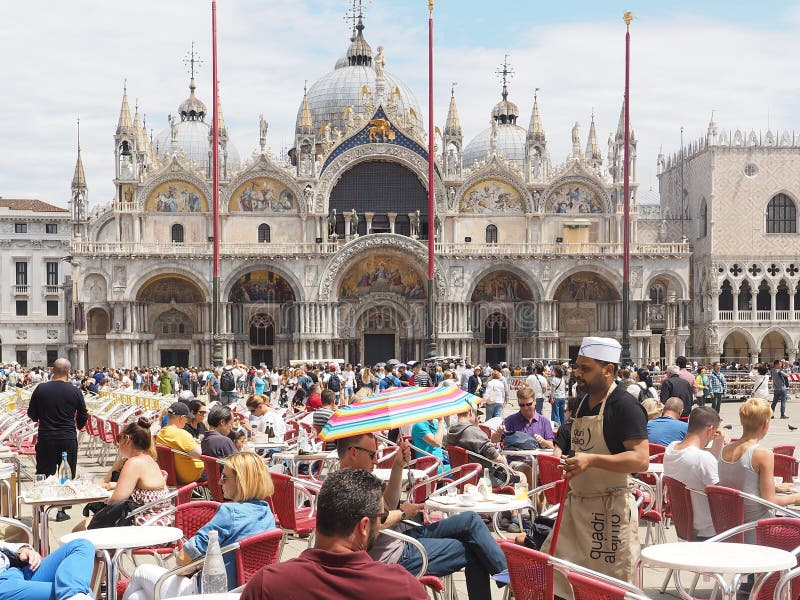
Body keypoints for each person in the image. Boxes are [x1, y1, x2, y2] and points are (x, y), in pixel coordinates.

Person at [337, 434, 507, 600]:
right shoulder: (345, 488)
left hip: (403, 538)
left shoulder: (360, 479)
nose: (375, 461)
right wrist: (403, 513)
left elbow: (387, 504)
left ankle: (506, 576)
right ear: (353, 452)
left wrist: (398, 465)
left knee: (470, 520)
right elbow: (373, 525)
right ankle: (509, 579)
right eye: (372, 454)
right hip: (395, 556)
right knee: (475, 549)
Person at [541, 336, 648, 596]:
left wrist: (591, 460)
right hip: (576, 512)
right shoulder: (580, 404)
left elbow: (641, 459)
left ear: (608, 370)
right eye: (577, 367)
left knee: (605, 589)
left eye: (586, 369)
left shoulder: (625, 406)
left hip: (608, 516)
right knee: (561, 585)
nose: (578, 374)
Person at [241, 468, 428, 600]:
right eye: (381, 517)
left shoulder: (267, 585)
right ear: (364, 526)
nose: (380, 523)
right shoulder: (401, 587)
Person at [123, 452, 277, 600]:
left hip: (208, 591)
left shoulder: (230, 512)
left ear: (241, 480)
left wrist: (194, 564)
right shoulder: (266, 512)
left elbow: (183, 558)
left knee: (140, 571)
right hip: (244, 591)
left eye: (224, 477)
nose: (219, 482)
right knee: (138, 597)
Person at [717, 397, 800, 542]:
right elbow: (768, 501)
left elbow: (742, 484)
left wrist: (775, 487)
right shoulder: (762, 454)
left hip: (732, 530)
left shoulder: (724, 451)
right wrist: (795, 497)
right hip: (759, 530)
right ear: (765, 424)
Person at [27, 358, 87, 522]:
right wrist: (78, 424)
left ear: (52, 371)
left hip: (46, 437)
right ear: (69, 372)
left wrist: (43, 417)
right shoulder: (75, 391)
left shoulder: (41, 389)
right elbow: (83, 415)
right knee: (66, 474)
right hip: (67, 437)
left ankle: (40, 509)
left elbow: (32, 414)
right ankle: (61, 510)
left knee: (43, 473)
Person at [662, 406, 724, 540]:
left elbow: (696, 458)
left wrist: (716, 446)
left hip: (685, 525)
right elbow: (721, 497)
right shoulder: (702, 459)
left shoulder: (671, 448)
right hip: (709, 531)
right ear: (709, 430)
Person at [0, 537, 96, 600]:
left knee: (80, 545)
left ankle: (74, 595)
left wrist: (22, 549)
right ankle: (73, 595)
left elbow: (3, 545)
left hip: (17, 570)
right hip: (3, 585)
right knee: (79, 590)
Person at [155, 402, 204, 485]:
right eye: (187, 419)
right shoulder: (181, 434)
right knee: (217, 469)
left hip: (173, 476)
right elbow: (201, 455)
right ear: (181, 418)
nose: (187, 422)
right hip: (191, 476)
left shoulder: (160, 434)